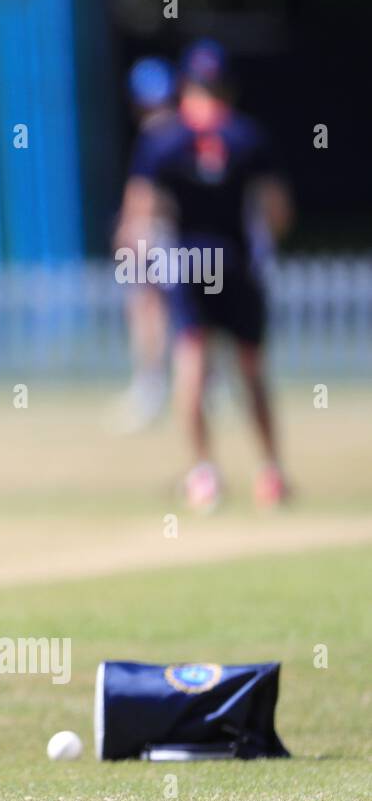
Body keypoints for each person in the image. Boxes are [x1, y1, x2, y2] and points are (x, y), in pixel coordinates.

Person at [117, 40, 293, 510]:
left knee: (192, 362)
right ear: (228, 87)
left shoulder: (163, 140)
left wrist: (141, 257)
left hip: (188, 264)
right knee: (250, 368)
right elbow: (277, 210)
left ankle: (204, 474)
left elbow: (141, 209)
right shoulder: (247, 136)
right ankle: (271, 472)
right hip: (238, 262)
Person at [110, 57, 176, 434]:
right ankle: (163, 388)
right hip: (179, 238)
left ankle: (151, 389)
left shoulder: (158, 135)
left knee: (149, 308)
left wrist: (131, 228)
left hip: (161, 237)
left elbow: (145, 195)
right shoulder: (180, 129)